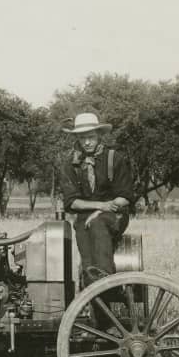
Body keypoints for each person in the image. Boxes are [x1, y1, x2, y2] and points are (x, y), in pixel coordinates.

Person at [58, 113, 135, 286]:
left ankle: (106, 282)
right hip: (85, 217)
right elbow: (71, 202)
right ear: (77, 138)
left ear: (99, 135)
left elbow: (125, 197)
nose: (87, 142)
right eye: (82, 138)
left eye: (91, 137)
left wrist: (102, 210)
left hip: (115, 214)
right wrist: (100, 206)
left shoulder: (114, 158)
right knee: (84, 239)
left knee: (98, 224)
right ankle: (91, 286)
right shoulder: (70, 164)